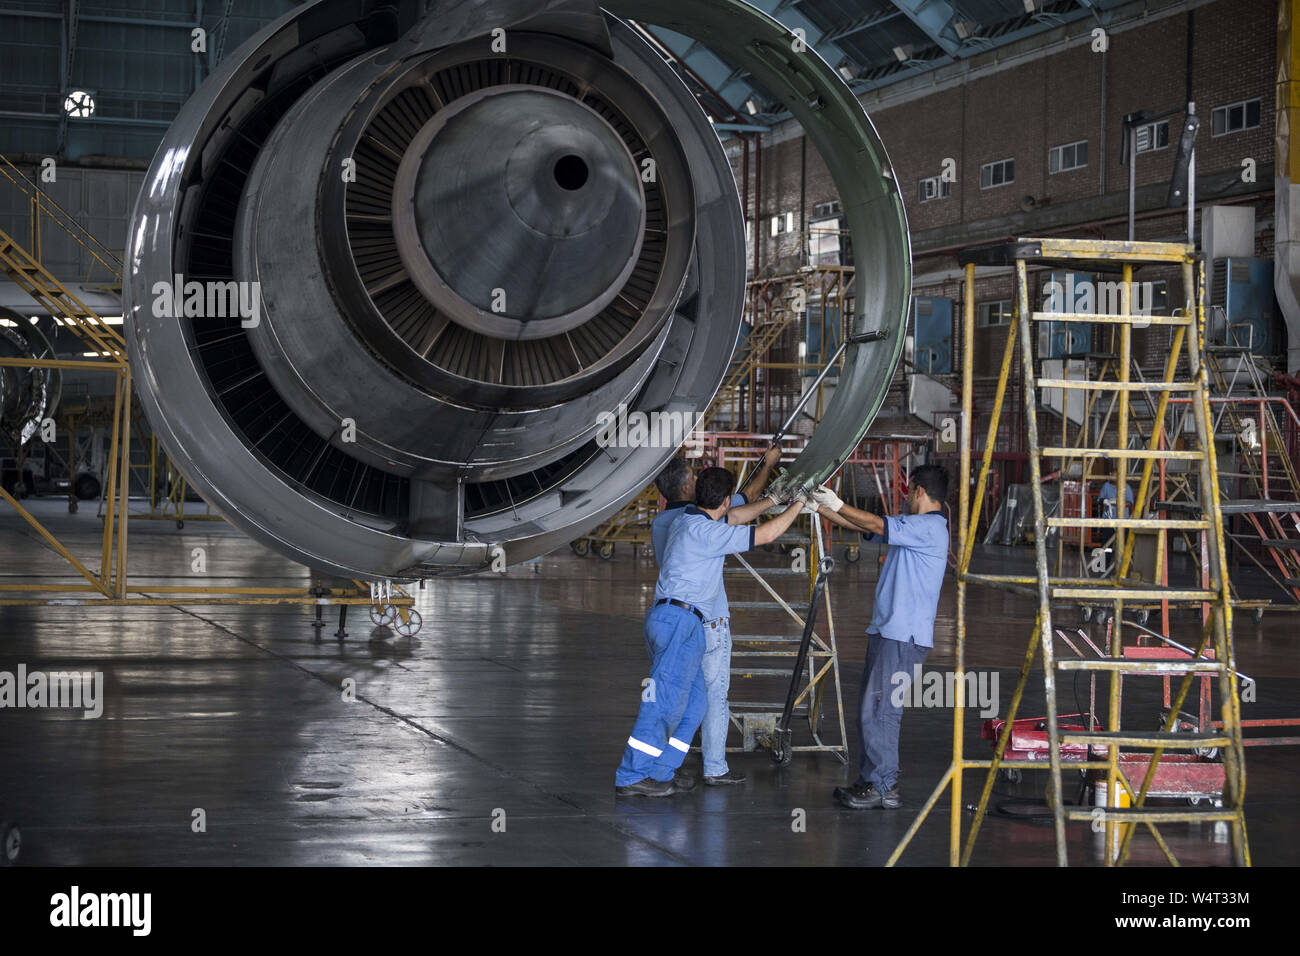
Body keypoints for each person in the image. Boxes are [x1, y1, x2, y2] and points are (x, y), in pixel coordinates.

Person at [616, 467, 805, 796]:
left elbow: (735, 515)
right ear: (726, 499)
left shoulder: (687, 518)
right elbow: (766, 535)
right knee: (664, 702)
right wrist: (799, 504)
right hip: (680, 621)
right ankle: (632, 775)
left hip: (678, 620)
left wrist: (772, 500)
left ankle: (662, 770)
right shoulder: (707, 533)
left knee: (695, 703)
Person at [808, 464, 950, 810]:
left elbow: (873, 522)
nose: (904, 498)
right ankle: (871, 779)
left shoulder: (928, 528)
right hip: (889, 632)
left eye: (907, 491)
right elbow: (863, 526)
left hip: (903, 636)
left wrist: (836, 502)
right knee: (871, 709)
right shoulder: (914, 528)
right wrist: (817, 506)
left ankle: (883, 786)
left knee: (882, 711)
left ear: (918, 491)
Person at [649, 446, 783, 786]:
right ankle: (714, 766)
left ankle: (668, 764)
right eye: (693, 477)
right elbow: (749, 504)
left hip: (670, 617)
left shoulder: (666, 522)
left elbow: (738, 509)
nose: (697, 479)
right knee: (713, 696)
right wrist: (768, 468)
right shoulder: (707, 522)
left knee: (676, 697)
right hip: (708, 620)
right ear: (685, 489)